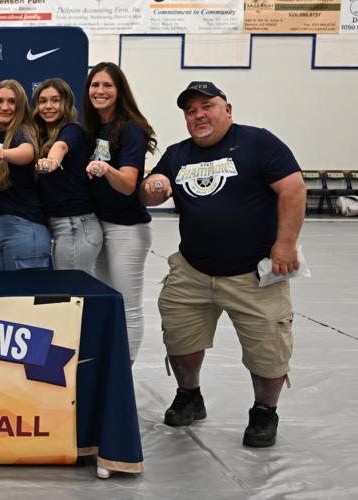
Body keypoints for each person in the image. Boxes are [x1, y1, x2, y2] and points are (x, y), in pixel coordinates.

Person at [140, 81, 305, 447]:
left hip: (255, 273)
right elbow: (152, 187)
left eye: (207, 106)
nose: (199, 115)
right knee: (180, 338)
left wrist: (286, 243)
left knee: (268, 351)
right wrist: (153, 186)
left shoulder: (259, 142)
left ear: (227, 109)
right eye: (190, 110)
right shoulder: (177, 154)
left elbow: (293, 188)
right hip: (193, 269)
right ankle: (189, 396)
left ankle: (264, 412)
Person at [81, 62, 157, 361]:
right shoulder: (92, 127)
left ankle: (125, 372)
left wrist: (105, 168)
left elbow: (127, 184)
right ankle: (109, 366)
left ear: (119, 90)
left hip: (126, 229)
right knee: (108, 301)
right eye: (95, 85)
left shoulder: (131, 129)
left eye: (107, 85)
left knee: (127, 305)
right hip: (98, 225)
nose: (100, 91)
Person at [32, 78, 102, 275]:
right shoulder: (41, 136)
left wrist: (52, 161)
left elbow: (61, 146)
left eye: (55, 100)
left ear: (67, 103)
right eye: (43, 101)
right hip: (63, 226)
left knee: (73, 295)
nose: (48, 106)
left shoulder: (71, 130)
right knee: (71, 295)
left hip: (76, 226)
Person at [0, 80, 51, 271]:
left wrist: (3, 154)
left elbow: (26, 153)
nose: (4, 107)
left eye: (12, 102)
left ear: (20, 106)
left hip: (25, 229)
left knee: (24, 299)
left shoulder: (23, 130)